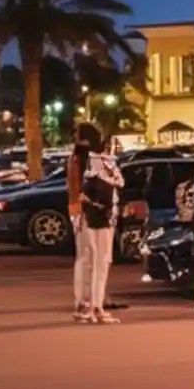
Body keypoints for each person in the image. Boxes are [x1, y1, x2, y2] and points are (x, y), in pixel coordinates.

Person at [78, 138, 124, 324]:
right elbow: (119, 182)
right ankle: (96, 307)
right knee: (101, 263)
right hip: (103, 220)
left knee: (95, 263)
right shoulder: (104, 167)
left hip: (94, 219)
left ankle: (91, 306)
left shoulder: (89, 170)